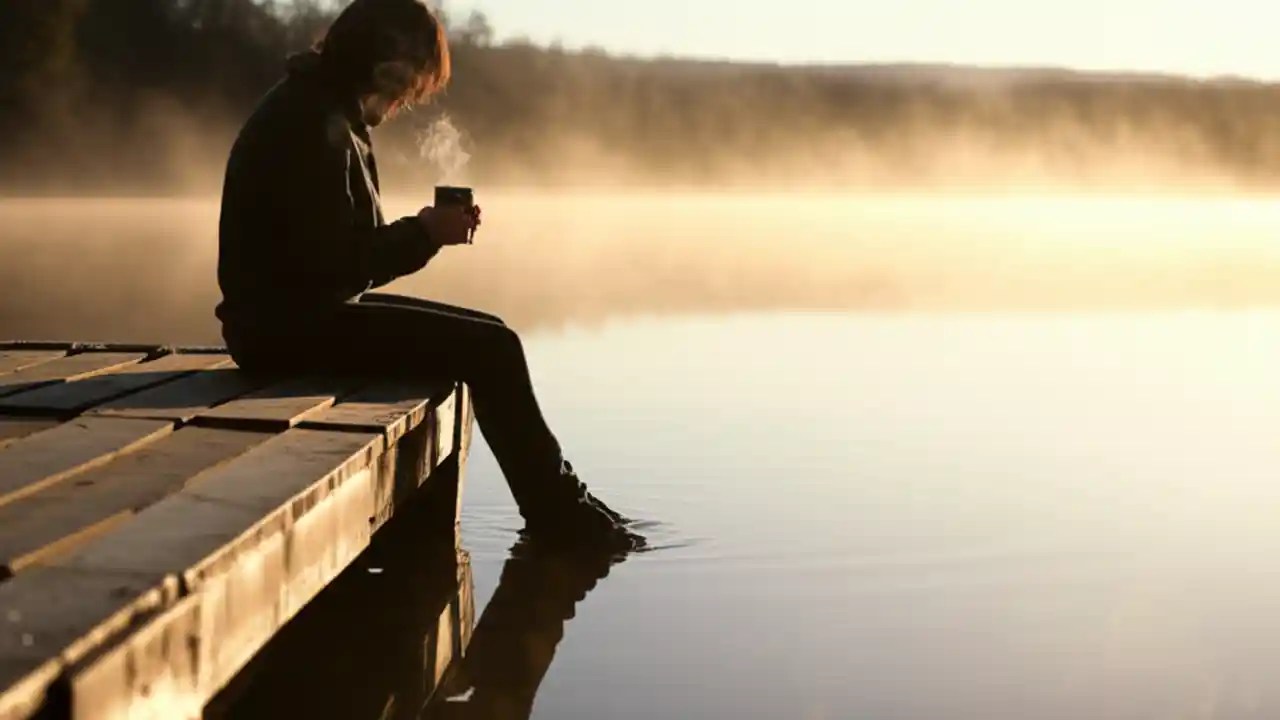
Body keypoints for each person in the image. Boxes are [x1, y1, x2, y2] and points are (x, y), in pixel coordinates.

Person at [215, 0, 641, 551]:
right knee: (492, 349)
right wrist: (424, 231)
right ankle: (559, 514)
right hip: (280, 332)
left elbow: (340, 262)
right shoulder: (311, 122)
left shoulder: (326, 110)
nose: (410, 99)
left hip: (291, 318)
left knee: (493, 336)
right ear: (387, 65)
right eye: (412, 81)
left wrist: (426, 232)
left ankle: (565, 502)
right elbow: (339, 267)